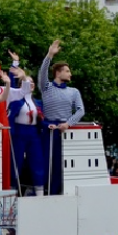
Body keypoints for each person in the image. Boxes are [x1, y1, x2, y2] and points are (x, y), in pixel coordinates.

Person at [38, 39, 85, 196]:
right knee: (45, 161)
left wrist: (69, 123)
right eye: (67, 71)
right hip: (48, 129)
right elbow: (42, 74)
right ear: (58, 73)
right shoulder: (47, 87)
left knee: (60, 163)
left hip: (64, 130)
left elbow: (80, 110)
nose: (70, 74)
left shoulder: (74, 91)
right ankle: (43, 191)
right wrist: (49, 55)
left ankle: (57, 192)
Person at [6, 56, 43, 195]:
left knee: (37, 160)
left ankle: (39, 191)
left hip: (33, 133)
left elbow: (43, 119)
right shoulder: (16, 99)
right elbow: (11, 83)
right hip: (19, 133)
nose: (31, 84)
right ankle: (13, 190)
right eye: (28, 82)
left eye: (32, 82)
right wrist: (15, 63)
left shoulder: (38, 102)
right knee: (16, 161)